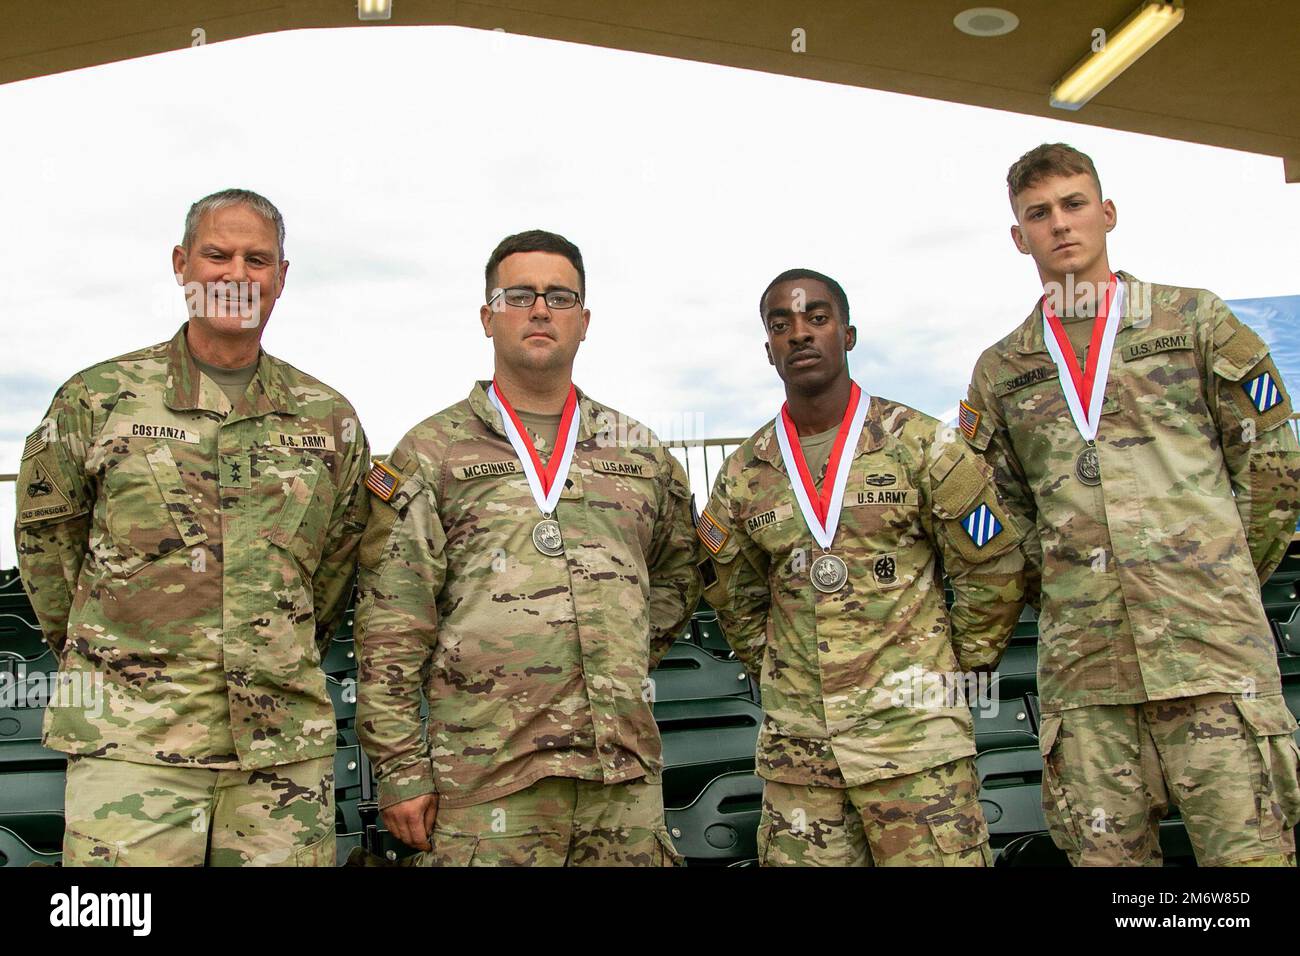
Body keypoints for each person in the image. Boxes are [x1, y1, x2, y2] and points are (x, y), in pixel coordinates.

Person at [962, 143, 1300, 866]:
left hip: (1214, 657)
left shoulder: (1192, 319)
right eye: (1038, 214)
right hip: (1088, 677)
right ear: (1018, 237)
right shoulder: (1002, 369)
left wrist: (1224, 570)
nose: (1061, 225)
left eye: (1075, 204)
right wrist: (1063, 591)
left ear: (1107, 212)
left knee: (1251, 861)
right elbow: (999, 514)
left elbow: (1271, 460)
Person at [15, 188, 370, 866]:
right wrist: (105, 656)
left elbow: (333, 570)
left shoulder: (328, 419)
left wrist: (273, 651)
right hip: (132, 745)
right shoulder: (99, 399)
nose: (237, 274)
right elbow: (46, 548)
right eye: (217, 254)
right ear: (181, 264)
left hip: (279, 754)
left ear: (282, 278)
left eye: (258, 259)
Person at [354, 229, 699, 866]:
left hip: (619, 777)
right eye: (519, 295)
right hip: (486, 779)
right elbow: (391, 621)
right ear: (488, 317)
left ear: (585, 321)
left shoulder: (640, 452)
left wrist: (612, 653)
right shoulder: (431, 452)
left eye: (560, 297)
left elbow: (679, 575)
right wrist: (401, 768)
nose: (540, 310)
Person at [696, 268, 1025, 866]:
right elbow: (730, 594)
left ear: (848, 334)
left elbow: (993, 569)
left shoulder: (922, 444)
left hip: (916, 753)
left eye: (817, 318)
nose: (799, 334)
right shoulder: (746, 472)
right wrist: (780, 673)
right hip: (802, 764)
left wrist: (952, 668)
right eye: (781, 325)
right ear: (767, 348)